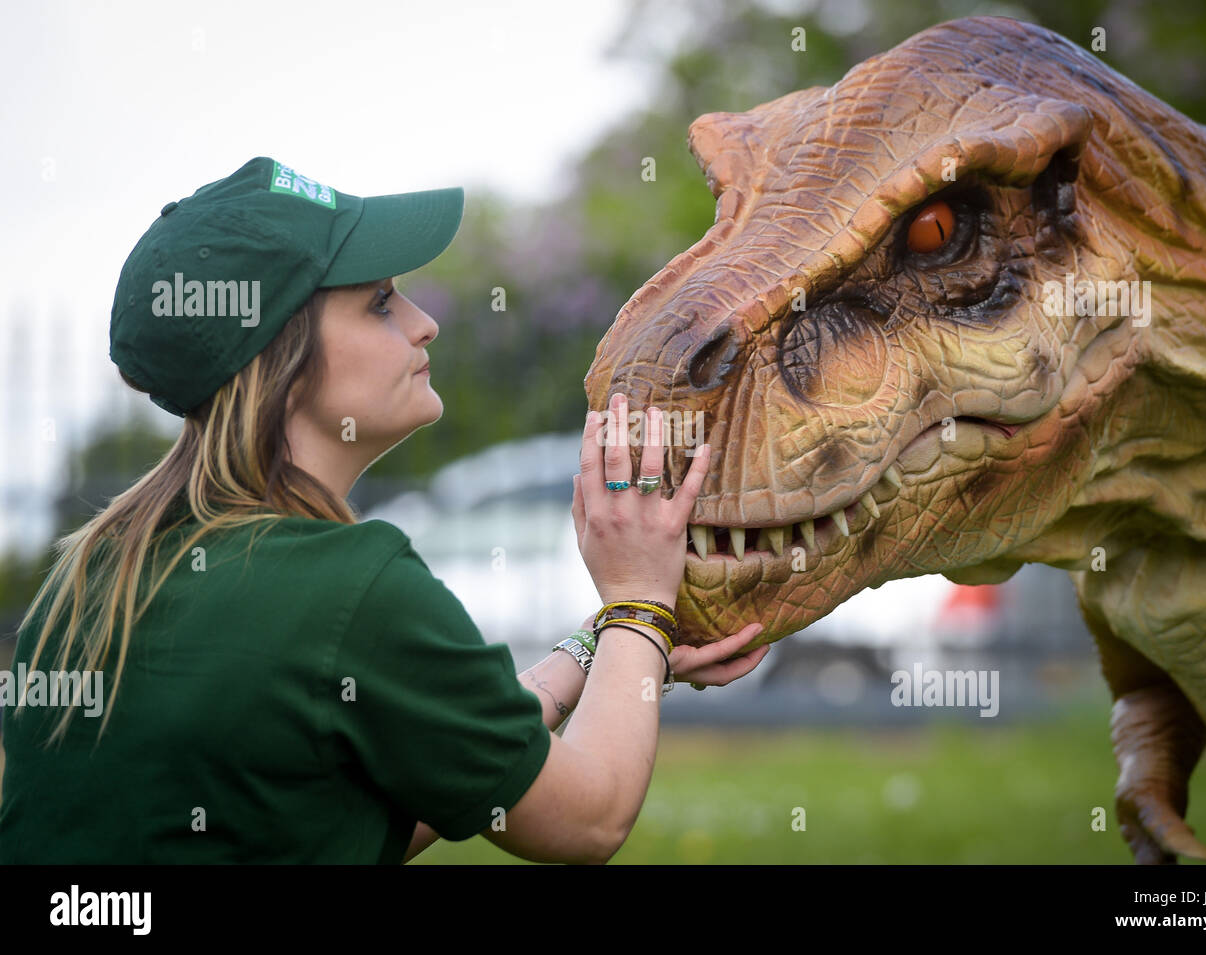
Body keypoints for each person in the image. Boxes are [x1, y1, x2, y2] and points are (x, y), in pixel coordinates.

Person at [0, 157, 769, 865]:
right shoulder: (350, 587)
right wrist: (638, 598)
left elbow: (352, 809)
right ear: (280, 359)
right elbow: (589, 817)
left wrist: (610, 649)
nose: (422, 321)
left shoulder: (95, 576)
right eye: (377, 302)